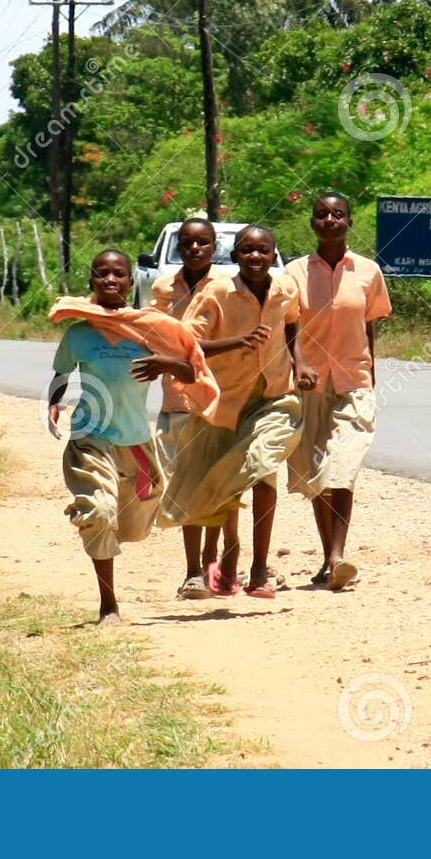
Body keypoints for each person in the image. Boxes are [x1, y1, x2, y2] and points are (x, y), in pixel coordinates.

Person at [46, 249, 217, 624]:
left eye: (118, 274)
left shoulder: (148, 330)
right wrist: (55, 404)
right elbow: (62, 377)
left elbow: (191, 370)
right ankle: (109, 606)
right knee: (99, 512)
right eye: (102, 274)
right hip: (90, 438)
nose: (110, 280)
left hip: (137, 442)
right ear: (91, 281)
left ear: (130, 281)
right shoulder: (78, 335)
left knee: (137, 522)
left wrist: (164, 363)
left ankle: (105, 533)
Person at [161, 226, 302, 600]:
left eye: (263, 251)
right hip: (223, 402)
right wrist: (236, 342)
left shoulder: (285, 289)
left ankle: (258, 570)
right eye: (247, 250)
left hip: (272, 396)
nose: (255, 257)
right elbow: (188, 343)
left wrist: (299, 363)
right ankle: (207, 567)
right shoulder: (218, 292)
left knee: (262, 470)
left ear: (274, 255)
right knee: (206, 477)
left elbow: (292, 326)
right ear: (235, 256)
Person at [286, 192, 392, 592]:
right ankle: (329, 557)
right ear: (312, 222)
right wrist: (299, 365)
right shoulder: (294, 273)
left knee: (342, 467)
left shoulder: (368, 272)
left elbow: (369, 325)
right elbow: (288, 327)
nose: (329, 220)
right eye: (321, 214)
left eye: (338, 214)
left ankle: (337, 557)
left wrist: (371, 368)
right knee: (316, 474)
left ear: (349, 221)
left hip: (353, 382)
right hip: (309, 385)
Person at [149, 217, 233, 600]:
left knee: (212, 486)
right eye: (187, 243)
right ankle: (192, 571)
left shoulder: (227, 288)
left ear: (214, 247)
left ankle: (212, 562)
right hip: (177, 400)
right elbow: (152, 332)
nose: (195, 249)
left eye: (202, 243)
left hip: (218, 399)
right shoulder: (165, 287)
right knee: (183, 485)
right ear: (179, 247)